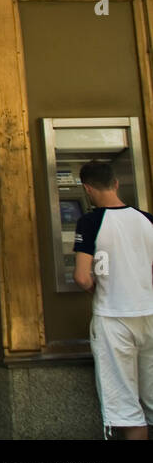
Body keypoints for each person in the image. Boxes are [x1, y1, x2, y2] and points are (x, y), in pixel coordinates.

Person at [72, 160, 153, 440]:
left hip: (114, 319)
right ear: (116, 183)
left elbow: (82, 277)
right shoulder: (148, 219)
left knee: (126, 409)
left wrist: (101, 288)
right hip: (149, 315)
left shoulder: (90, 221)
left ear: (86, 188)